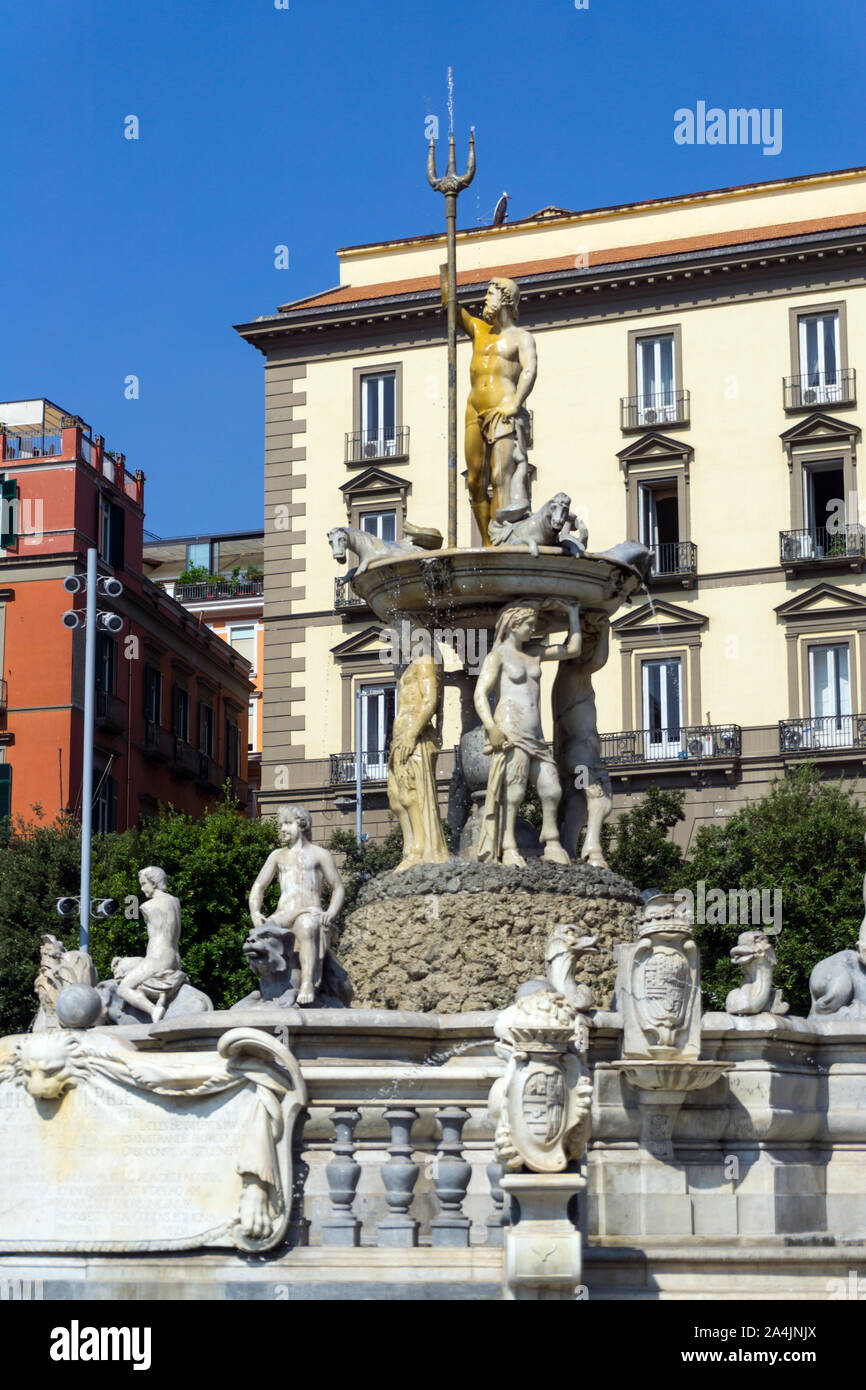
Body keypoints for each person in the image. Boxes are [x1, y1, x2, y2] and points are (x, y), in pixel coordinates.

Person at [473, 599, 581, 867]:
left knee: (551, 788)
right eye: (529, 625)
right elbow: (480, 694)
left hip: (536, 733)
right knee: (515, 789)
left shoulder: (534, 653)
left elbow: (572, 650)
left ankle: (552, 840)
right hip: (510, 728)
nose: (533, 630)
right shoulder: (496, 656)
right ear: (513, 624)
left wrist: (573, 613)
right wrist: (491, 728)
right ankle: (508, 846)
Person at [451, 276, 537, 543]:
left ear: (505, 299)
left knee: (501, 477)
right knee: (475, 479)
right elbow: (453, 310)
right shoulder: (479, 331)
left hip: (503, 411)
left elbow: (530, 369)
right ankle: (488, 541)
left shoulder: (521, 338)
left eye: (490, 294)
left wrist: (516, 402)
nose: (485, 299)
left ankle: (499, 540)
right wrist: (446, 277)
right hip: (473, 409)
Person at [248, 804, 345, 1006]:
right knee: (260, 936)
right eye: (281, 824)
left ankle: (307, 983)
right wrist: (255, 912)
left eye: (287, 823)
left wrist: (331, 911)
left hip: (310, 912)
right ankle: (272, 989)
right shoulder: (277, 855)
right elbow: (258, 886)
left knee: (307, 925)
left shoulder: (319, 854)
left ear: (301, 825)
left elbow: (338, 887)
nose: (282, 829)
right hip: (282, 914)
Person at [553, 612, 613, 868]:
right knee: (599, 795)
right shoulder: (577, 671)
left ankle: (568, 847)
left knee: (576, 798)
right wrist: (604, 633)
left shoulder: (563, 675)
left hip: (568, 753)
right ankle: (592, 844)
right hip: (580, 751)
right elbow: (599, 660)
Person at [387, 655, 450, 871]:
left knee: (412, 793)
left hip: (415, 736)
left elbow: (430, 699)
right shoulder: (408, 666)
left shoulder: (425, 660)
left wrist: (413, 734)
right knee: (396, 797)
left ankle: (420, 851)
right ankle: (410, 848)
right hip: (401, 737)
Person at [113, 867, 183, 1023]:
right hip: (175, 958)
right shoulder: (175, 902)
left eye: (144, 883)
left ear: (154, 883)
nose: (142, 888)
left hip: (157, 957)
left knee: (124, 988)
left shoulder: (148, 906)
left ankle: (154, 1010)